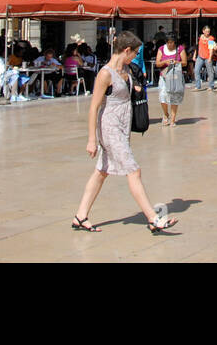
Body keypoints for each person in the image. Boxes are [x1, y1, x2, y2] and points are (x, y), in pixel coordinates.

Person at [72, 32, 179, 235]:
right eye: (135, 53)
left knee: (102, 172)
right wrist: (91, 139)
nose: (136, 56)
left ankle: (80, 215)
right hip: (109, 127)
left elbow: (125, 91)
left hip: (122, 126)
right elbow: (94, 107)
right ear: (126, 50)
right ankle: (153, 218)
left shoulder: (126, 69)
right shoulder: (105, 73)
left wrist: (136, 87)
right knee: (133, 170)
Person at [156, 34, 186, 125]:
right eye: (168, 42)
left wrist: (176, 62)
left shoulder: (180, 49)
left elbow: (184, 63)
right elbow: (157, 63)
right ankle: (165, 114)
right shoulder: (161, 49)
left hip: (175, 76)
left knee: (174, 96)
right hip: (164, 75)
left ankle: (173, 119)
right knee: (162, 96)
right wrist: (165, 62)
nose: (170, 44)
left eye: (171, 42)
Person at [0, 36, 29, 103]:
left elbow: (9, 68)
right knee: (15, 75)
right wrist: (9, 66)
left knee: (24, 78)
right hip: (2, 77)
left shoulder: (4, 59)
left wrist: (10, 67)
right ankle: (14, 95)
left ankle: (20, 94)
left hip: (8, 75)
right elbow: (3, 70)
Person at [195, 26, 215, 91]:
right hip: (200, 56)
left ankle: (211, 86)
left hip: (207, 57)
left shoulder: (211, 38)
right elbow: (198, 47)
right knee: (196, 70)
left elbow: (211, 49)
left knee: (210, 72)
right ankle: (198, 86)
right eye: (206, 31)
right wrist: (195, 55)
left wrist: (210, 58)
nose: (207, 33)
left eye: (208, 31)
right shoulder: (200, 37)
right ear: (203, 31)